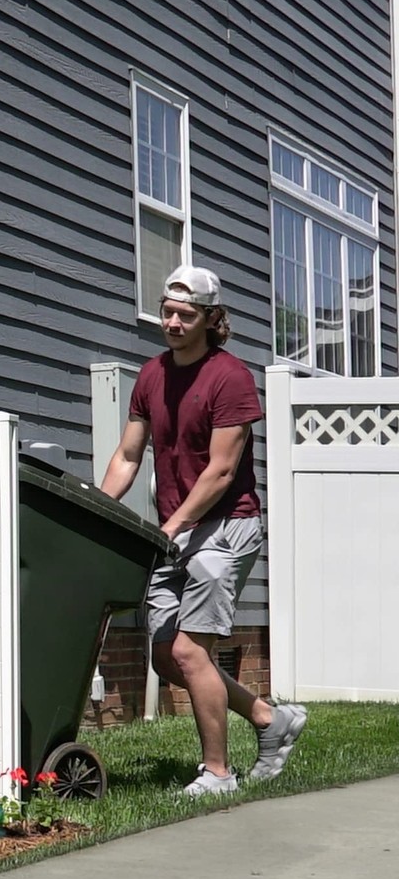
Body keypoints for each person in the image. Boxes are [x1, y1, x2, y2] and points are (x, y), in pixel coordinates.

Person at [100, 264, 306, 796]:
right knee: (167, 655)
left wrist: (171, 525)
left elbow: (219, 471)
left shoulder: (229, 377)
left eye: (184, 315)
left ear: (211, 319)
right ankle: (267, 718)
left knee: (192, 651)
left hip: (226, 524)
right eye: (167, 311)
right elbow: (128, 455)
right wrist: (99, 509)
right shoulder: (151, 376)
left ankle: (218, 773)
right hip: (177, 528)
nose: (170, 322)